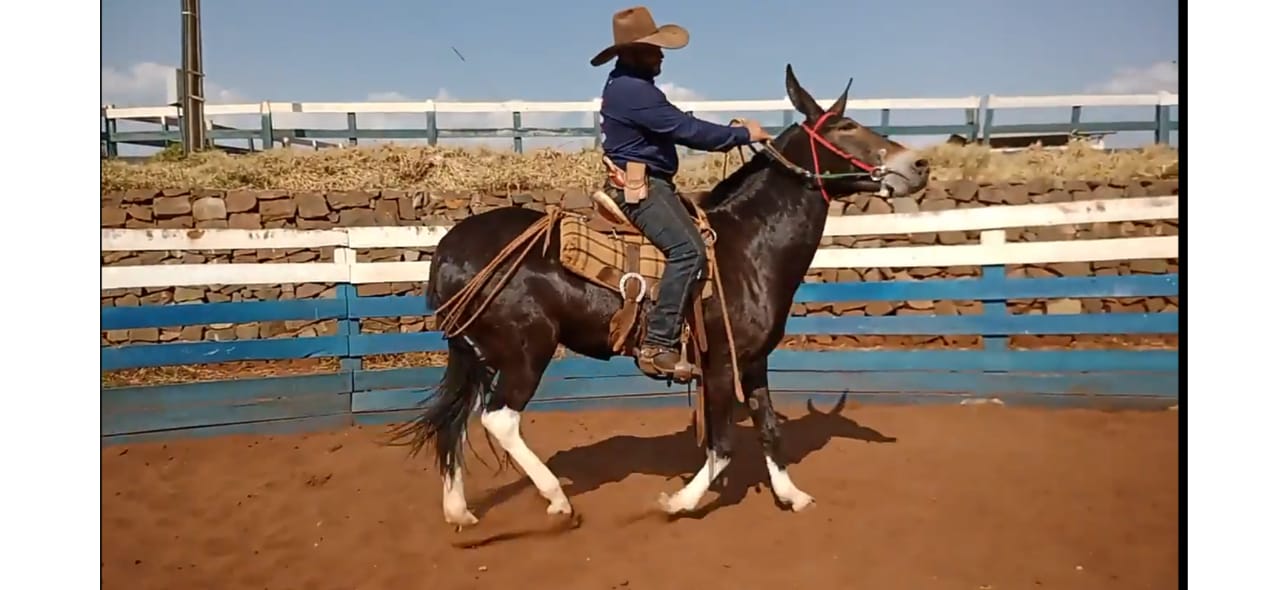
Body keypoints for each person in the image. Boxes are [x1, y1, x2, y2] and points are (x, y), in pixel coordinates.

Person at [590, 6, 772, 379]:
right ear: (633, 52)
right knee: (689, 252)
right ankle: (658, 344)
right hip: (641, 186)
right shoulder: (634, 90)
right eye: (654, 49)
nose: (661, 56)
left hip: (649, 180)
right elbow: (688, 130)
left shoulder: (628, 86)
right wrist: (743, 135)